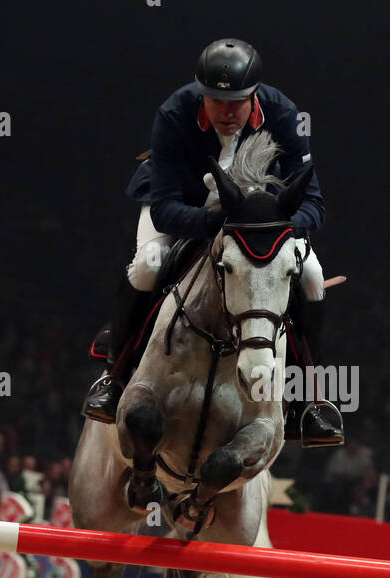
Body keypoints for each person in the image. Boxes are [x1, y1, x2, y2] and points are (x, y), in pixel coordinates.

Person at [82, 38, 344, 447]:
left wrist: (270, 227)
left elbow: (313, 204)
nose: (226, 112)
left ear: (254, 95)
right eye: (216, 101)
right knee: (150, 263)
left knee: (311, 274)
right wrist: (214, 222)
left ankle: (308, 401)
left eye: (236, 102)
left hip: (257, 225)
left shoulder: (285, 115)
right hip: (188, 210)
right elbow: (165, 207)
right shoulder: (173, 113)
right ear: (201, 94)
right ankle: (114, 376)